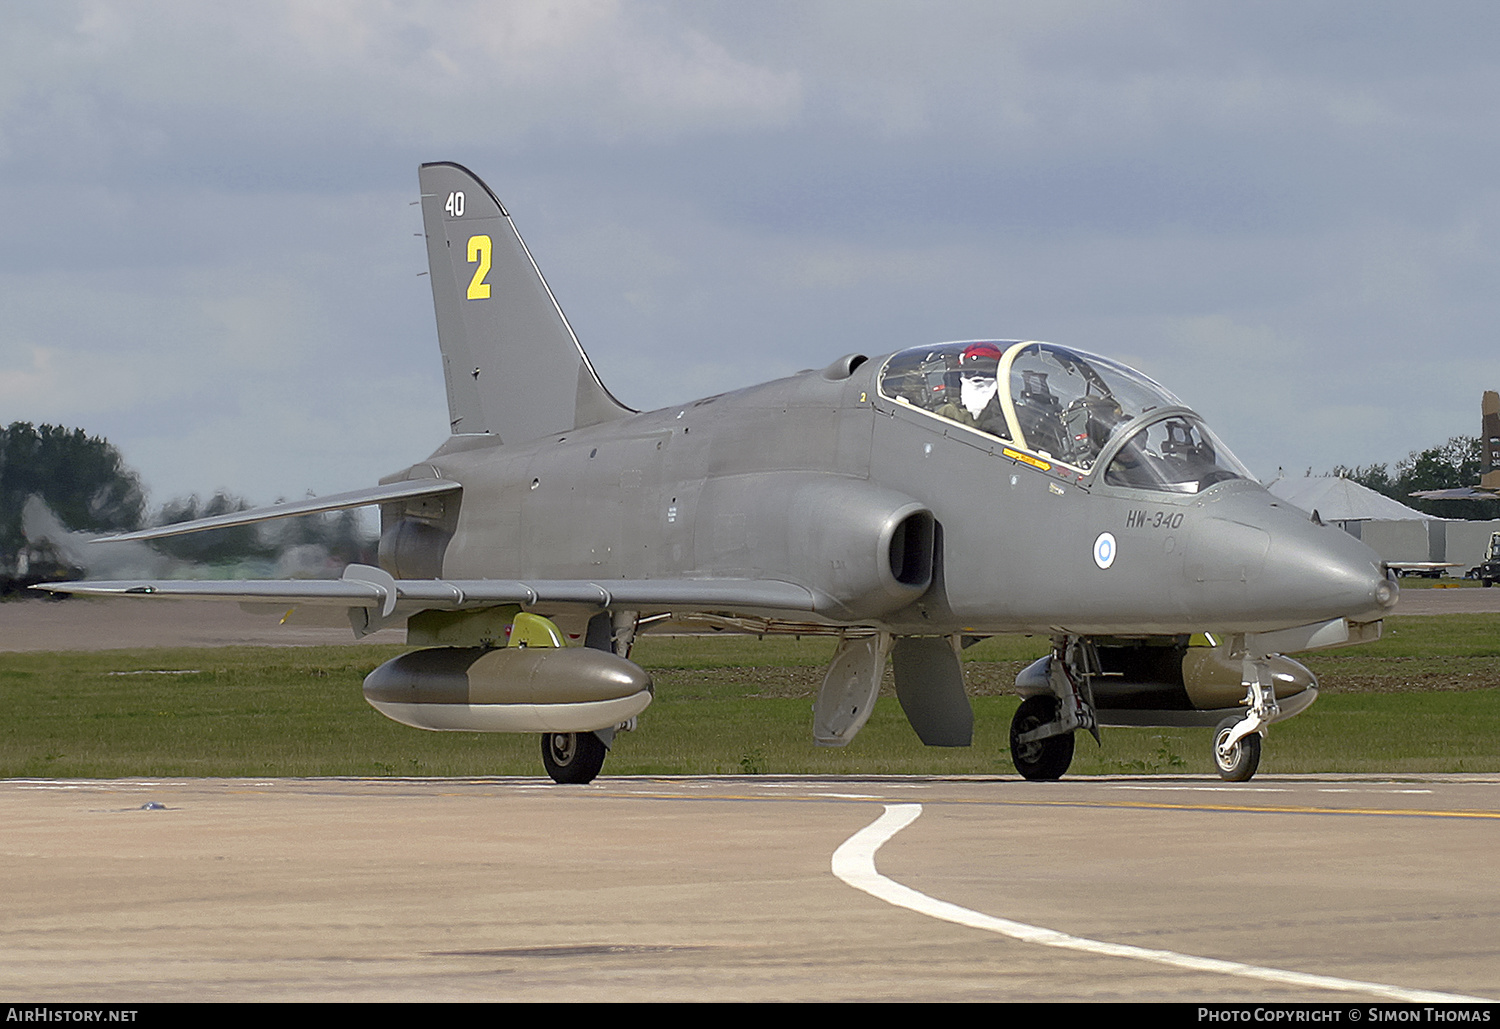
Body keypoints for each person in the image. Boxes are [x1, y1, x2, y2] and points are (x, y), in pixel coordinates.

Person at [934, 342, 1010, 439]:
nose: (977, 376)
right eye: (970, 372)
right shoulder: (949, 414)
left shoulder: (1014, 417)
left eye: (984, 370)